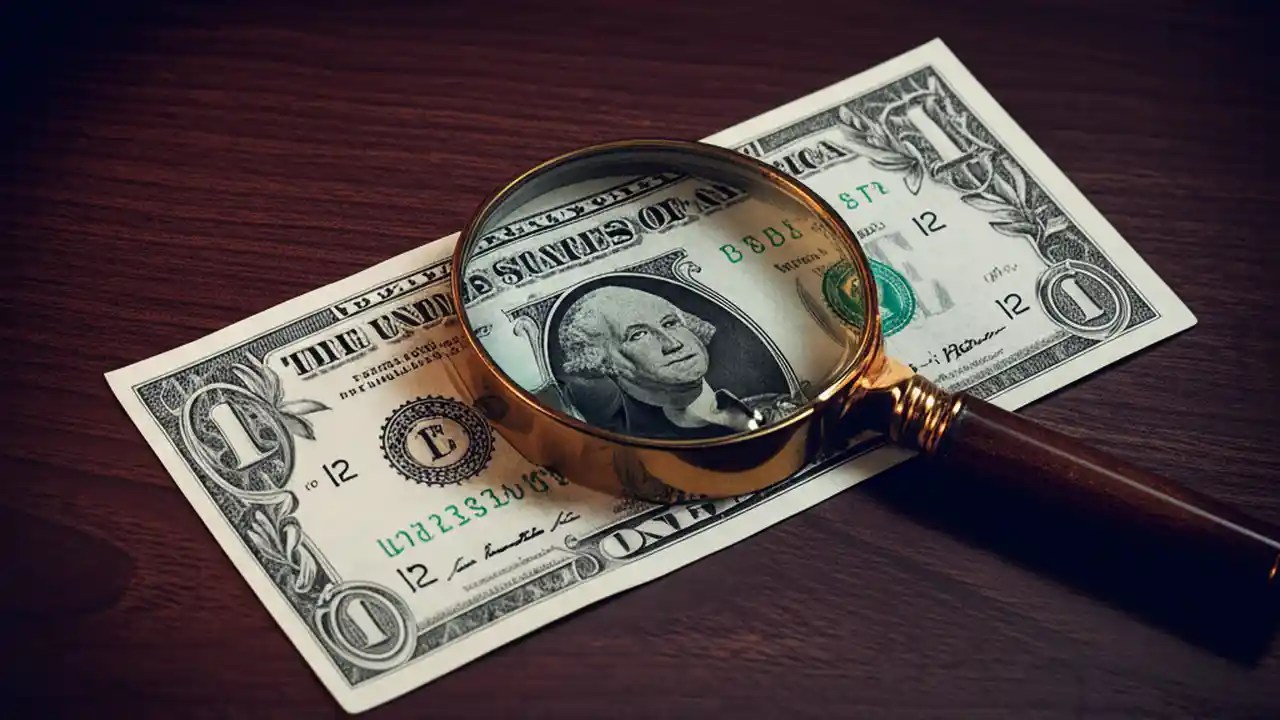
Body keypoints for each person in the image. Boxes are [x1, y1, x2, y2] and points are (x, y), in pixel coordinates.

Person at [555, 285, 797, 439]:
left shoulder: (778, 405)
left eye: (670, 323)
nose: (672, 343)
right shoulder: (634, 442)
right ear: (602, 361)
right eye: (638, 335)